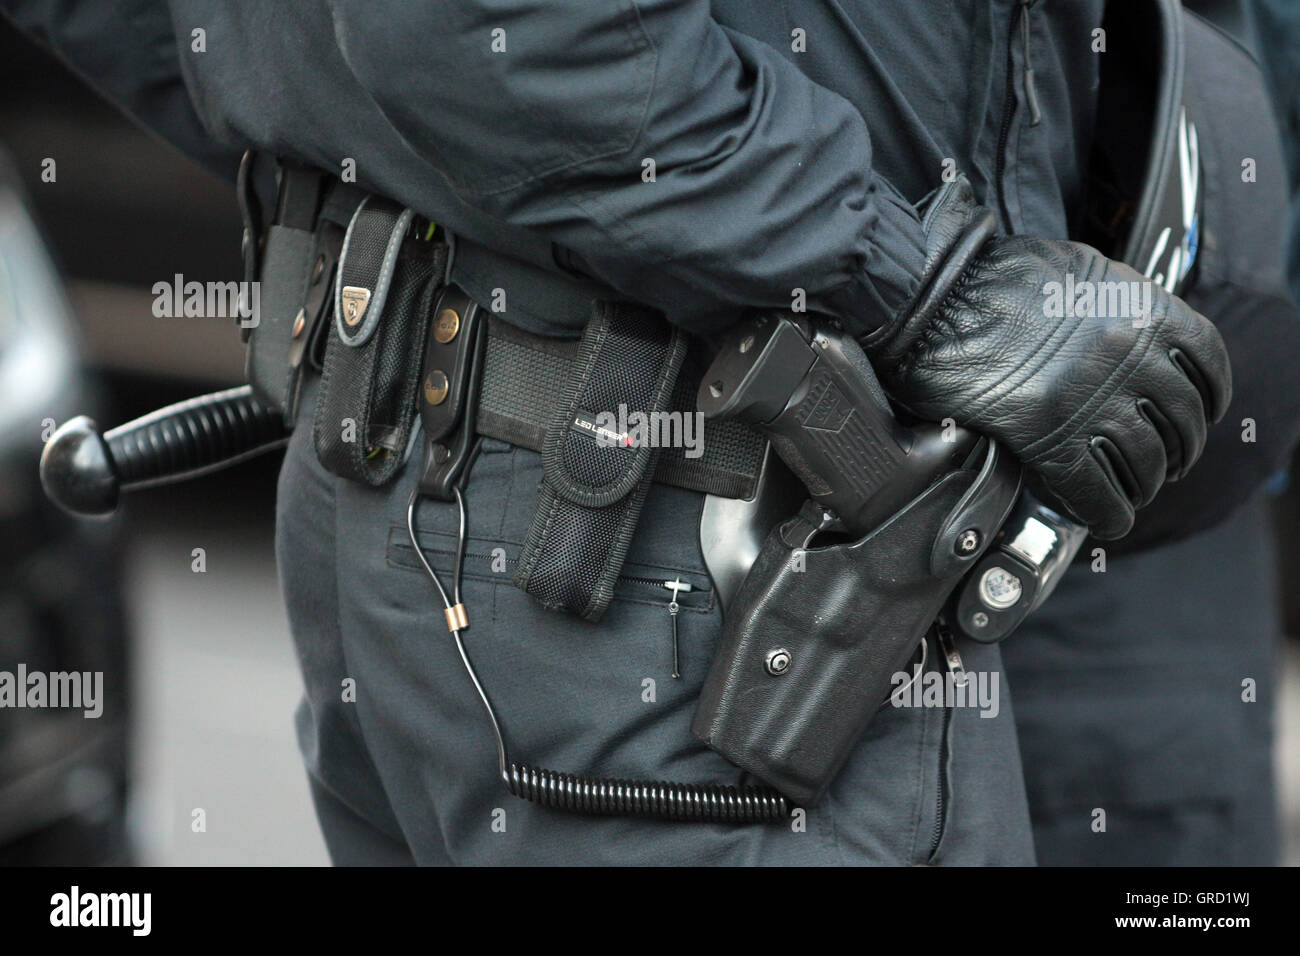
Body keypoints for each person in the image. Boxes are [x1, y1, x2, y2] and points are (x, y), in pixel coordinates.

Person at [7, 0, 1277, 866]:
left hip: (477, 494)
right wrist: (913, 278)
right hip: (690, 537)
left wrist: (359, 152)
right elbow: (484, 38)